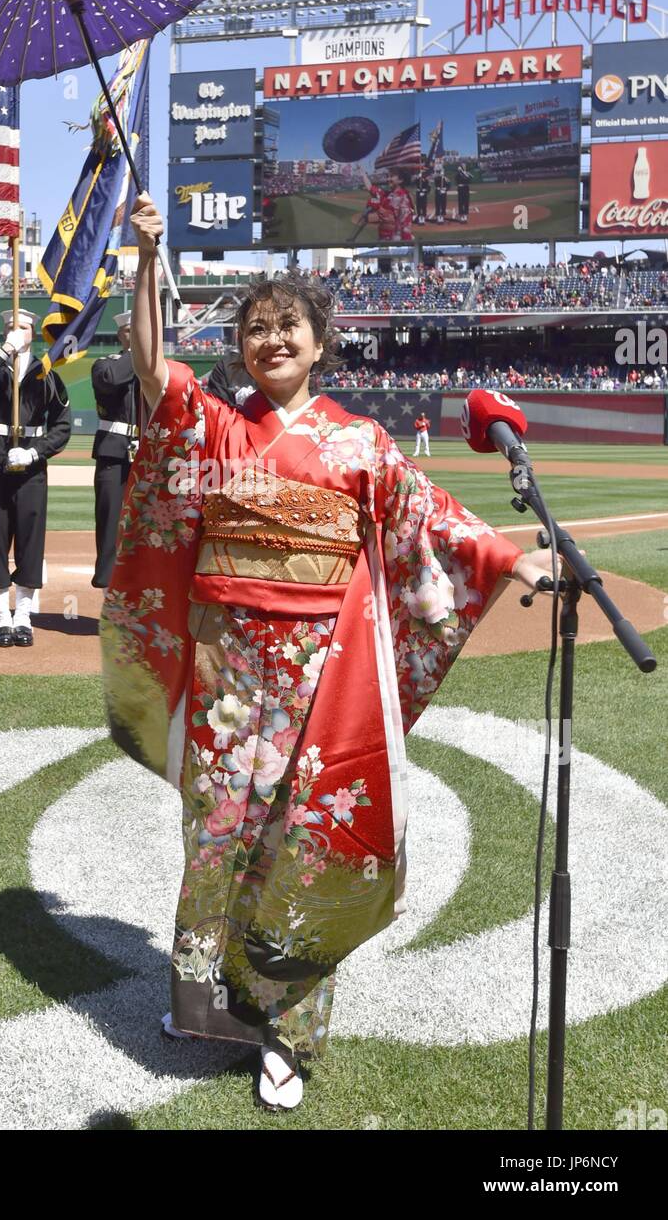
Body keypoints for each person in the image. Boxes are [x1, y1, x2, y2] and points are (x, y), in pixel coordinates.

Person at [100, 194, 557, 1113]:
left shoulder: (362, 442)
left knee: (304, 845)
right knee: (217, 839)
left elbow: (428, 527)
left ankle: (289, 1033)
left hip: (318, 673)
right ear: (241, 346)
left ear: (319, 343)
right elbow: (151, 367)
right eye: (255, 328)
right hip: (230, 672)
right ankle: (210, 1001)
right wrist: (148, 258)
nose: (271, 340)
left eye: (289, 327)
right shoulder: (214, 426)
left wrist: (512, 558)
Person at [0, 308, 71, 646]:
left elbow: (62, 426)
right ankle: (1, 616)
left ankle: (23, 614)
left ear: (34, 333)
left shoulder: (47, 374)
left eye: (24, 327)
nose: (18, 331)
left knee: (30, 539)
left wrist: (35, 451)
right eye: (12, 326)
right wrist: (3, 353)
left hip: (30, 462)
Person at [90, 311, 140, 590]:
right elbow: (109, 380)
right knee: (110, 521)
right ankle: (109, 588)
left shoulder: (161, 367)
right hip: (114, 451)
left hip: (151, 452)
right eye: (133, 330)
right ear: (122, 335)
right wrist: (138, 353)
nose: (139, 333)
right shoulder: (106, 364)